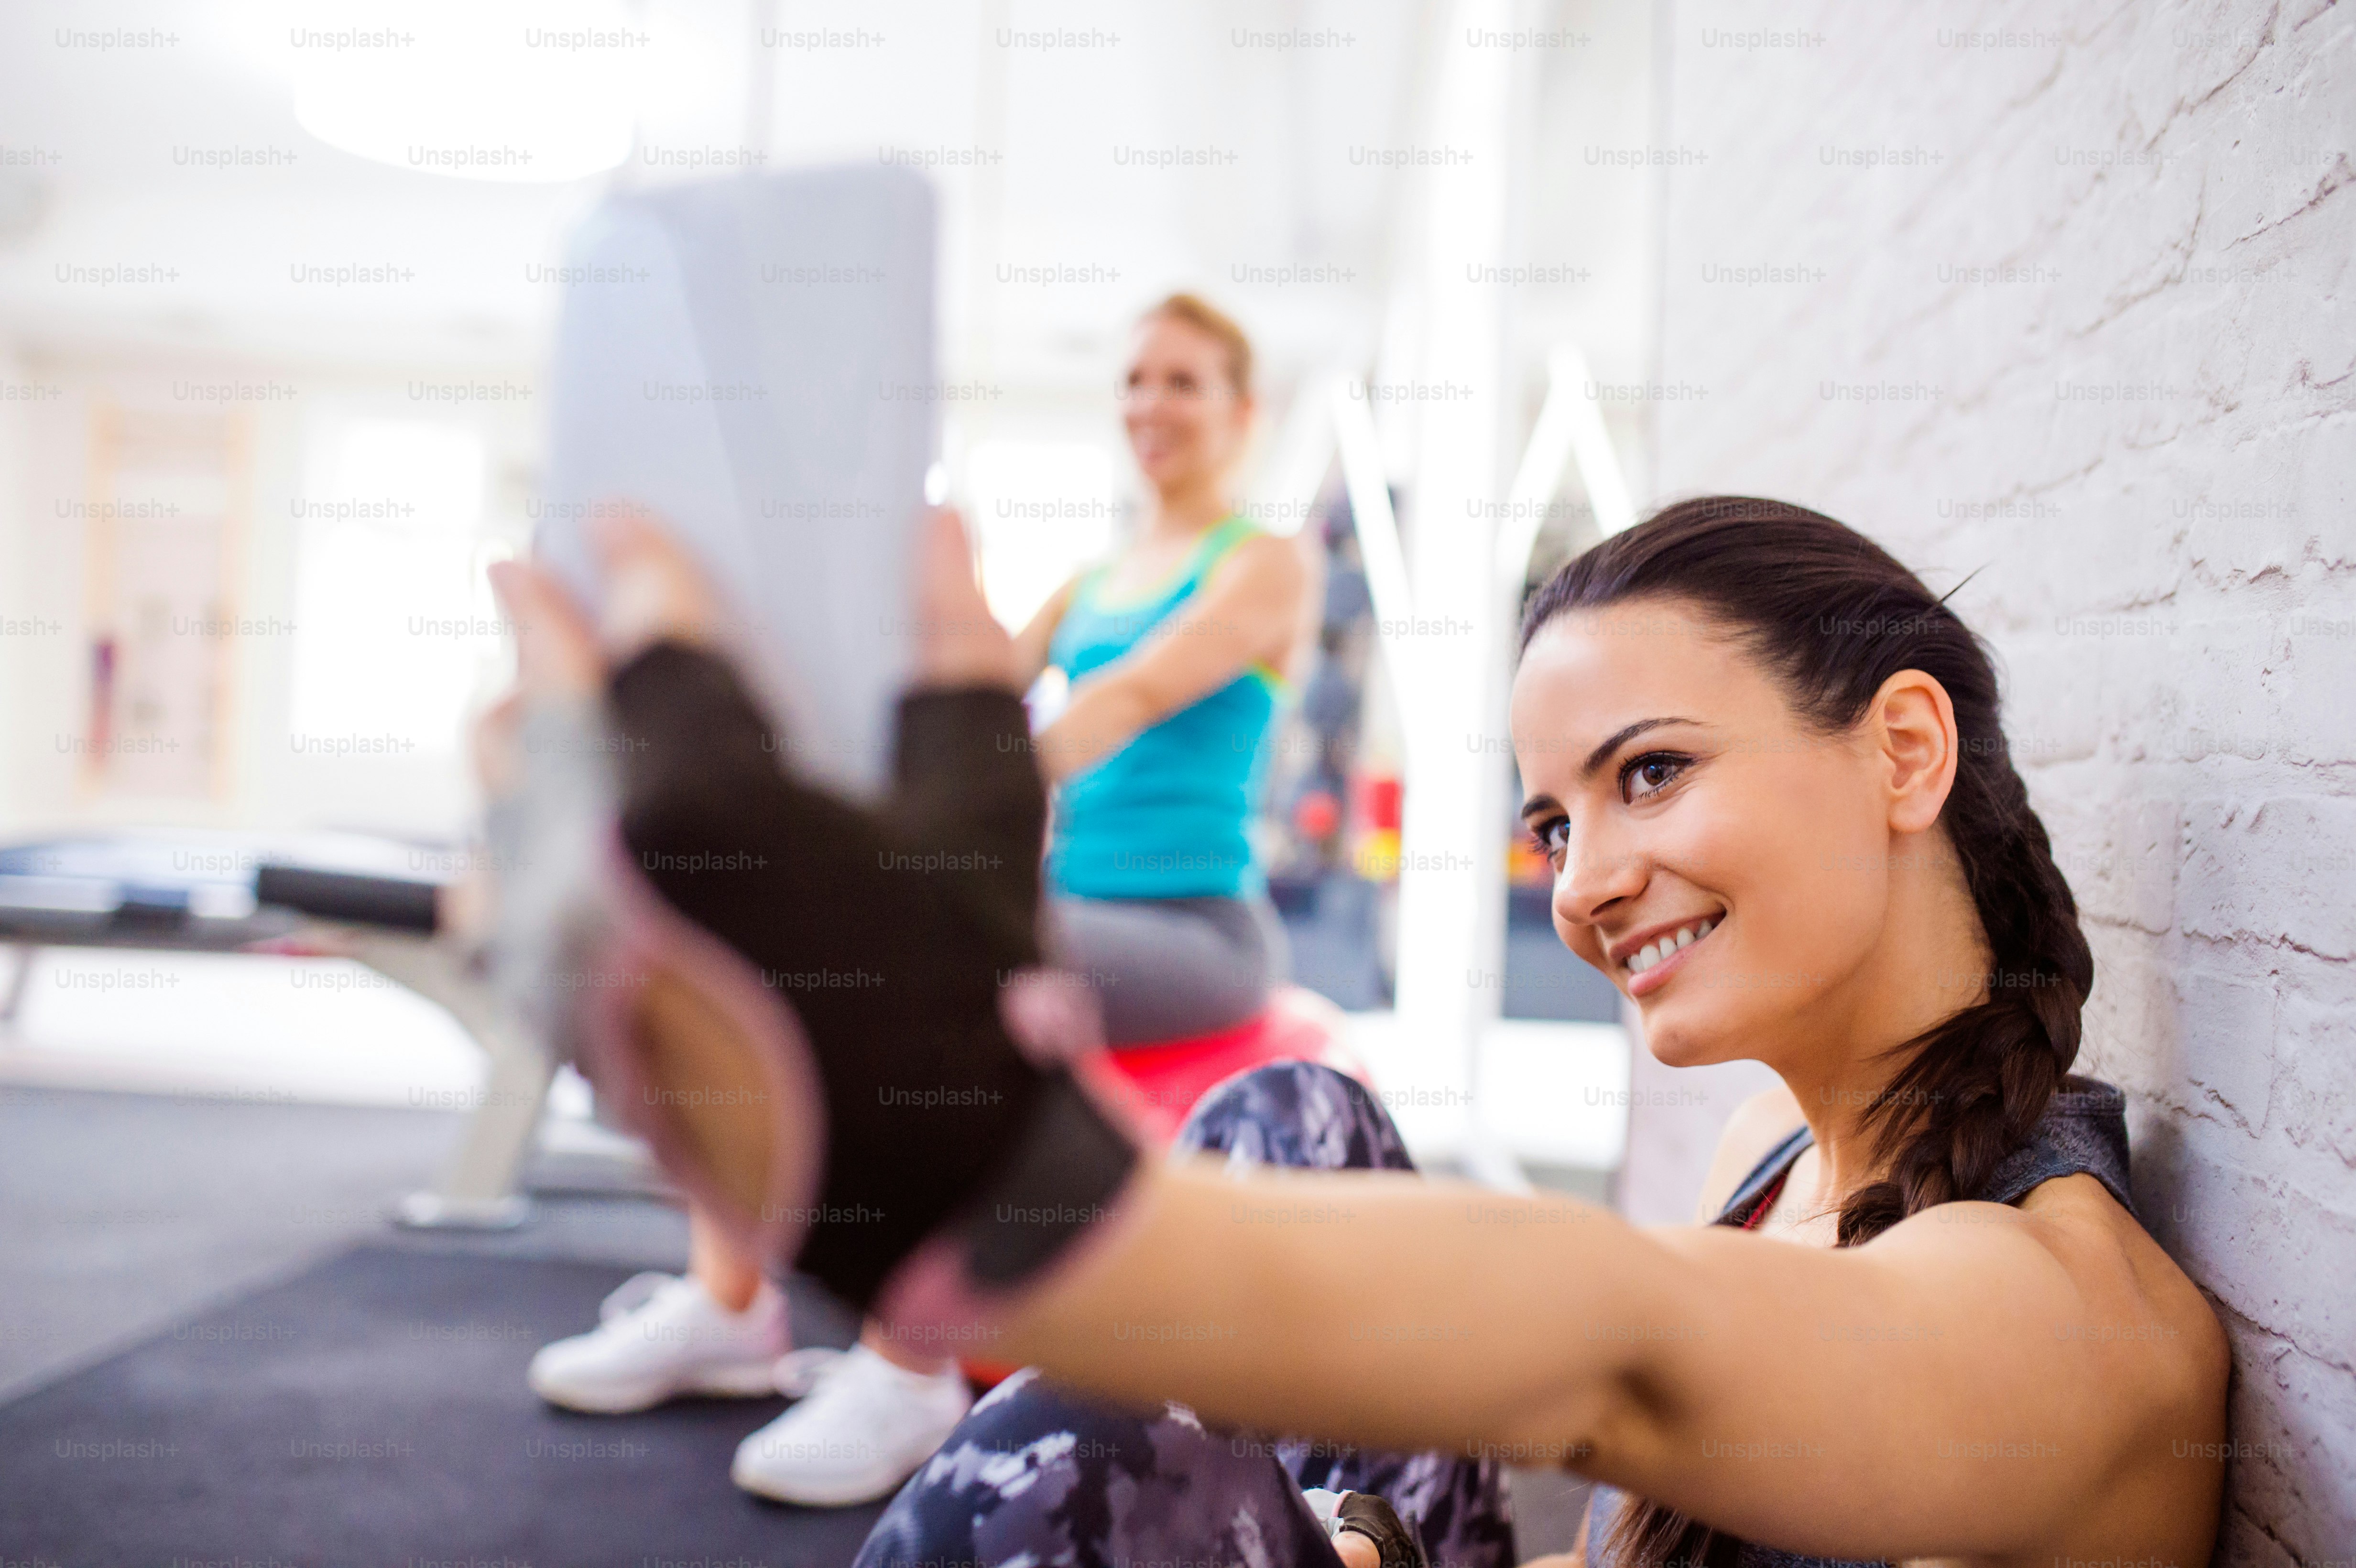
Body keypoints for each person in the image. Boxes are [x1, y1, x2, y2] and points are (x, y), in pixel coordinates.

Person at [492, 493, 2229, 1567]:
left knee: (1068, 1466)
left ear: (1901, 753)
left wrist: (994, 1191)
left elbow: (1618, 1354)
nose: (1587, 882)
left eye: (1649, 773)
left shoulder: (2058, 1323)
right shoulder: (1766, 1151)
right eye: (1554, 824)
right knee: (1290, 1113)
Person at [519, 291, 1318, 1510]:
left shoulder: (1264, 563)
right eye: (1134, 380)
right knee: (782, 934)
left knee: (937, 958)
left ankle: (911, 1368)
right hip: (1066, 909)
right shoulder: (1096, 576)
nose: (1149, 405)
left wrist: (952, 801)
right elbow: (976, 674)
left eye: (1183, 382)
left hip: (1196, 934)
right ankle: (730, 1307)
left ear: (1242, 410)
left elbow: (1120, 705)